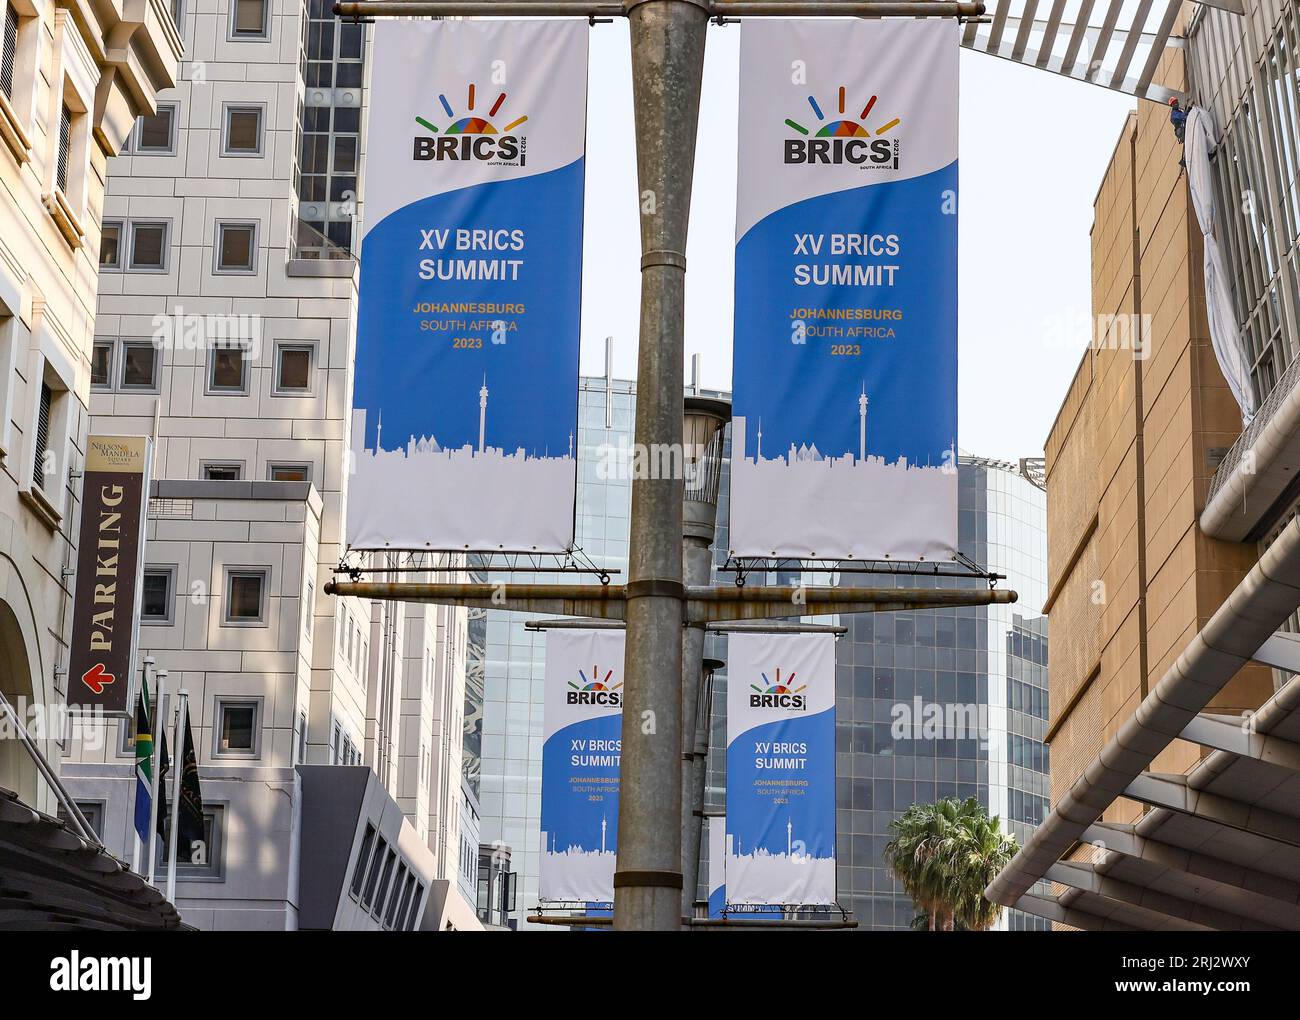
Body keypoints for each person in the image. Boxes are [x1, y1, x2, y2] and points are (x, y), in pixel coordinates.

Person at [1169, 97, 1187, 168]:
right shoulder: (1174, 114)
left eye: (1176, 102)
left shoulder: (1179, 112)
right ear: (1172, 105)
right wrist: (1187, 112)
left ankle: (1184, 160)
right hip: (1180, 131)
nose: (1176, 104)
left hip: (1181, 129)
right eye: (1174, 103)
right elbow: (1182, 117)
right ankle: (1184, 160)